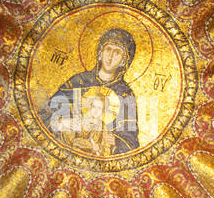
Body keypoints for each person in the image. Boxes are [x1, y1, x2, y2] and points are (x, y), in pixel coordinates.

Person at [40, 28, 140, 156]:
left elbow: (131, 141)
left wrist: (115, 141)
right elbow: (44, 113)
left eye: (117, 53)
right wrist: (60, 122)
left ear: (124, 61)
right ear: (100, 52)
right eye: (108, 49)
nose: (110, 57)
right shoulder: (78, 82)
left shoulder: (125, 95)